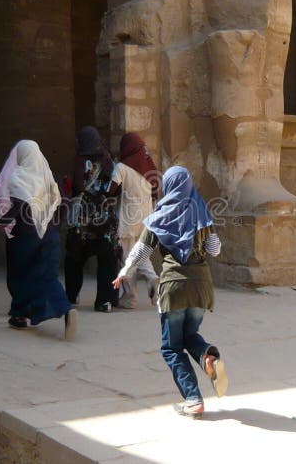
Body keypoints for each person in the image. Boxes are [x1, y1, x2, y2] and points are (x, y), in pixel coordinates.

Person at [113, 166, 227, 418]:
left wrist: (124, 272)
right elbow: (215, 249)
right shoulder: (201, 212)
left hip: (173, 288)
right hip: (201, 287)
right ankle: (207, 354)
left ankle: (193, 399)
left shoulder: (160, 214)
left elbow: (142, 249)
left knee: (171, 348)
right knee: (190, 334)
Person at [0, 140, 78, 339]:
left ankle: (37, 311)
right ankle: (28, 314)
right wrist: (54, 224)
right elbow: (64, 202)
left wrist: (1, 223)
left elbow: (18, 206)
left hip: (27, 236)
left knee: (23, 275)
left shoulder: (18, 176)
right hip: (51, 236)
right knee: (46, 276)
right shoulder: (48, 177)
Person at [65, 126, 121, 313]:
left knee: (75, 257)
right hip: (105, 218)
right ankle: (105, 301)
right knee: (107, 259)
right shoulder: (108, 160)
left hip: (84, 218)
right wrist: (102, 195)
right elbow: (115, 188)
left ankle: (72, 296)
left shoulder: (81, 161)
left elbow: (79, 185)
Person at [115, 157, 159, 309]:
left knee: (126, 258)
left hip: (129, 219)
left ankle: (130, 298)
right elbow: (156, 190)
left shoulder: (122, 167)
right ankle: (153, 279)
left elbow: (112, 189)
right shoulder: (147, 166)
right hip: (146, 218)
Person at [119, 132, 160, 201]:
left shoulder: (122, 167)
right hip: (147, 210)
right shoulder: (149, 165)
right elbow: (154, 192)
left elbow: (111, 192)